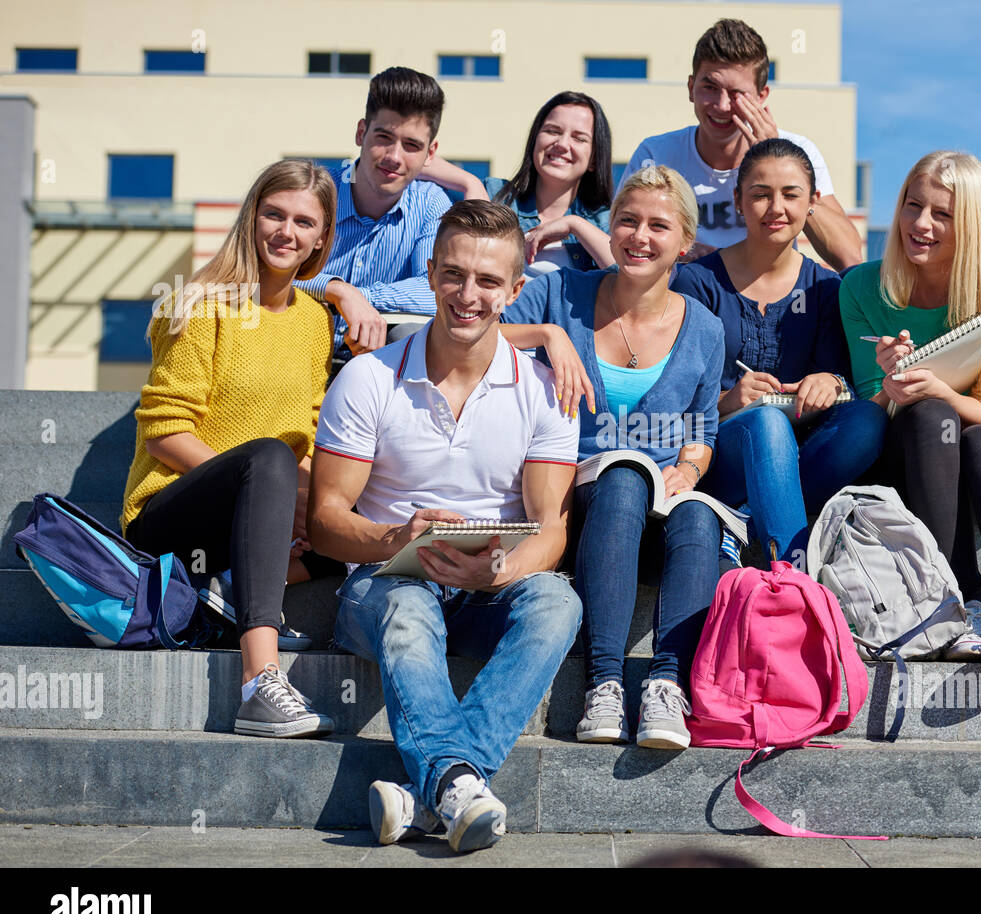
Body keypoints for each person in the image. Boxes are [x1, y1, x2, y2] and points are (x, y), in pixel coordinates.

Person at [308, 200, 581, 853]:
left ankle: (436, 791)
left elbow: (551, 528)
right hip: (383, 582)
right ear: (430, 273)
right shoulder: (369, 380)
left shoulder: (545, 389)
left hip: (490, 582)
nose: (468, 294)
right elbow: (324, 522)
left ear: (516, 290)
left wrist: (503, 569)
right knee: (404, 600)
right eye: (454, 275)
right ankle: (458, 783)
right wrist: (396, 538)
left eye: (488, 281)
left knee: (558, 600)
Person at [502, 165, 725, 750]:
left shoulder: (703, 327)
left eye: (658, 225)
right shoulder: (561, 291)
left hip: (658, 498)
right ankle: (604, 683)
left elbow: (704, 425)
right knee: (624, 476)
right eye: (627, 221)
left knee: (700, 514)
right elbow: (473, 333)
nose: (639, 236)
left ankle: (665, 685)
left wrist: (691, 467)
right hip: (575, 487)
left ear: (684, 243)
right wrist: (549, 335)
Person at [121, 159, 339, 737]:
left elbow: (310, 434)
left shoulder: (316, 322)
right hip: (170, 517)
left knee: (357, 505)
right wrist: (266, 481)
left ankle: (231, 589)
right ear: (252, 217)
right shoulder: (198, 304)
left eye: (302, 221)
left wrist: (305, 497)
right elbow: (164, 431)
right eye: (274, 213)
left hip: (251, 518)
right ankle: (259, 683)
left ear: (321, 238)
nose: (285, 232)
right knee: (268, 458)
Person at [840, 150, 981, 672]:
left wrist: (942, 388)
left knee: (973, 434)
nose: (920, 224)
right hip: (905, 461)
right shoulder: (862, 287)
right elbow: (870, 416)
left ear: (971, 225)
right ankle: (959, 603)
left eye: (942, 215)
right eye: (913, 206)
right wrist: (892, 385)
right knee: (930, 416)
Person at [672, 138, 888, 564]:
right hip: (717, 453)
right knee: (767, 422)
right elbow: (673, 398)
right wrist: (728, 401)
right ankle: (793, 568)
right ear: (737, 200)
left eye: (790, 195)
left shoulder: (826, 287)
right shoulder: (696, 282)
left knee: (867, 418)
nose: (776, 208)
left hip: (803, 450)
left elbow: (844, 379)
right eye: (760, 194)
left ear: (812, 203)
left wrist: (830, 381)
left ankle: (746, 518)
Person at [619, 18, 862, 271]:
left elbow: (849, 257)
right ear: (691, 88)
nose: (722, 105)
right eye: (710, 87)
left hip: (769, 301)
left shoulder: (797, 152)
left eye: (737, 94)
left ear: (761, 96)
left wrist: (775, 159)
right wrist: (695, 257)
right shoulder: (656, 154)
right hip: (681, 298)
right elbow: (619, 242)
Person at [296, 66, 453, 365]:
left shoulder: (432, 205)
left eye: (411, 146)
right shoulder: (315, 192)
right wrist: (335, 290)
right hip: (297, 354)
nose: (394, 156)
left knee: (410, 333)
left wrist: (359, 296)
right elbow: (265, 272)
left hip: (377, 365)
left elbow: (433, 289)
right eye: (384, 137)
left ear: (430, 154)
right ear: (361, 132)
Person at [482, 91, 615, 279]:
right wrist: (467, 182)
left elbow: (628, 280)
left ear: (594, 159)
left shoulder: (605, 221)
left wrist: (574, 224)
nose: (561, 144)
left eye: (579, 138)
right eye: (553, 131)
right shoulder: (494, 195)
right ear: (535, 140)